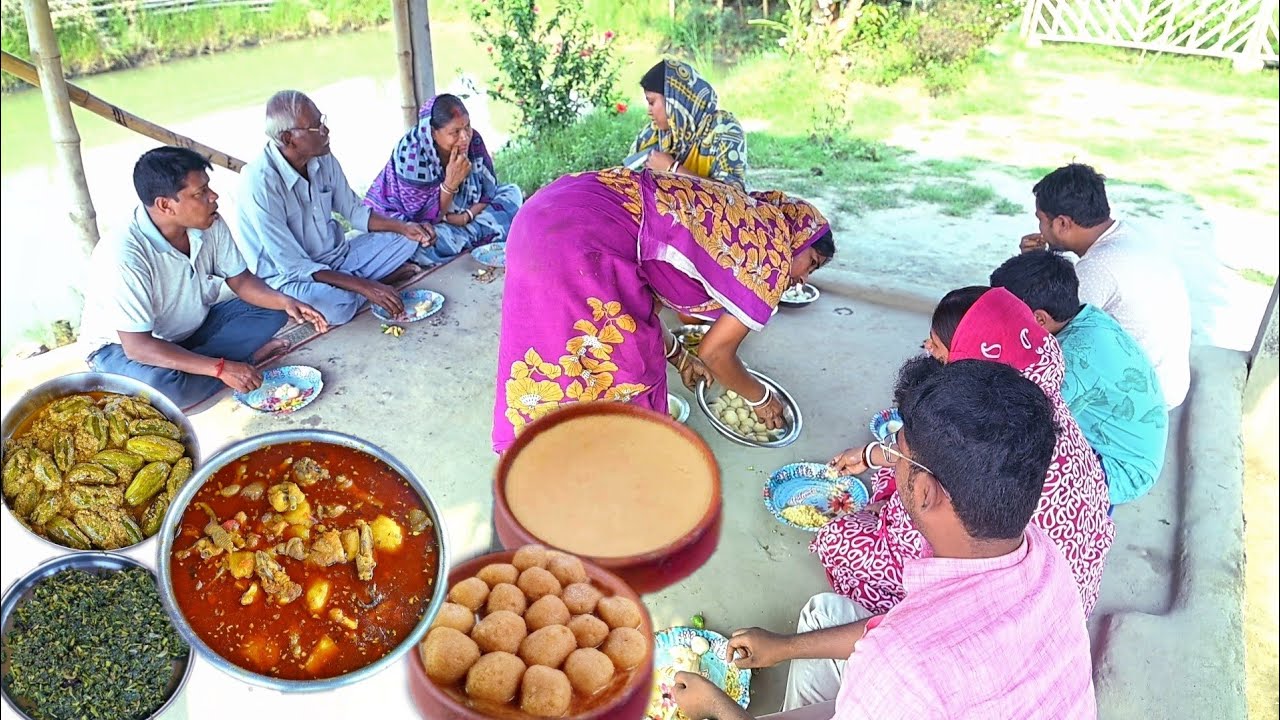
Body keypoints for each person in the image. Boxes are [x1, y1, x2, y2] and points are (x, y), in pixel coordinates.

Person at [672, 360, 1098, 720]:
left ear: (927, 491)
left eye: (897, 453)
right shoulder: (1044, 557)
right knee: (826, 613)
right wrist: (785, 648)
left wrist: (717, 706)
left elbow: (898, 655)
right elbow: (889, 631)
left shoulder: (900, 670)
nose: (889, 464)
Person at [812, 287, 1114, 618]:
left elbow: (916, 538)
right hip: (1067, 599)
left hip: (1009, 611)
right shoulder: (1036, 399)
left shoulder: (980, 434)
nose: (928, 350)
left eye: (940, 351)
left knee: (836, 539)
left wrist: (878, 516)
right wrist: (871, 455)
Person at [491, 167, 833, 453]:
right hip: (577, 241)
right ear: (797, 239)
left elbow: (641, 291)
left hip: (543, 215)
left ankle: (550, 456)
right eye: (811, 264)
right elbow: (716, 354)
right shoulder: (770, 258)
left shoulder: (746, 219)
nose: (801, 279)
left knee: (552, 343)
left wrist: (679, 355)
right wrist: (761, 398)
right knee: (632, 368)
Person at [80, 147, 328, 409]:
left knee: (273, 310)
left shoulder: (209, 223)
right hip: (121, 349)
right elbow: (138, 346)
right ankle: (237, 363)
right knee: (165, 390)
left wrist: (286, 302)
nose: (214, 197)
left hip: (187, 331)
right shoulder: (124, 255)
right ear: (165, 205)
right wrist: (220, 368)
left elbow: (241, 281)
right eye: (201, 193)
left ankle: (204, 366)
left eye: (208, 188)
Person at [235, 89, 437, 326]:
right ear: (289, 138)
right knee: (335, 308)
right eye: (316, 127)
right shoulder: (259, 182)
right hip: (287, 278)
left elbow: (354, 212)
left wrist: (404, 227)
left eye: (323, 122)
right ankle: (370, 285)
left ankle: (363, 286)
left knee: (408, 240)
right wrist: (365, 286)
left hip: (338, 258)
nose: (325, 130)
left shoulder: (322, 157)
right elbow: (293, 265)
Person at [992, 251, 1168, 506]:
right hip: (1124, 444)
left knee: (1008, 461)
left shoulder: (1072, 360)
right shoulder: (1087, 317)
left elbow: (1022, 420)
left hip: (1121, 469)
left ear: (1039, 319)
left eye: (1005, 316)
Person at [1019, 163, 1191, 408]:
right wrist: (1036, 261)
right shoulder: (1132, 234)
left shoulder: (1097, 268)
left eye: (1041, 221)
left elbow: (1048, 328)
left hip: (1144, 400)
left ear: (1062, 224)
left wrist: (1031, 265)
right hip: (1171, 381)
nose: (1040, 229)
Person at [363, 94, 524, 266]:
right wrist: (450, 184)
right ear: (433, 132)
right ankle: (478, 235)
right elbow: (421, 220)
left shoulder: (472, 141)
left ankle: (466, 238)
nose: (465, 137)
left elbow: (489, 190)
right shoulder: (411, 157)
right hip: (410, 223)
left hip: (462, 216)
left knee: (511, 193)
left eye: (467, 126)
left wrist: (466, 217)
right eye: (455, 132)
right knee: (420, 246)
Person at [630, 59, 747, 191]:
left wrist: (673, 169)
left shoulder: (724, 130)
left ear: (674, 100)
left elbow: (735, 195)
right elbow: (627, 180)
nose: (649, 112)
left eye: (651, 102)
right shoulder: (654, 134)